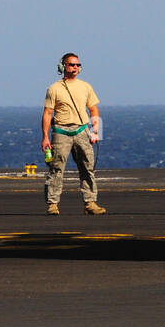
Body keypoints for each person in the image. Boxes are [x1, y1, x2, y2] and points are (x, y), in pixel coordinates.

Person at [42, 53, 105, 215]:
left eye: (77, 65)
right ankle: (52, 204)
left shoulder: (86, 87)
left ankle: (90, 202)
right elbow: (48, 113)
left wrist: (95, 131)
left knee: (87, 168)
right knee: (56, 169)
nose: (75, 67)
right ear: (63, 66)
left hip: (81, 130)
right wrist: (45, 136)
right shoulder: (54, 88)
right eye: (71, 65)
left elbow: (93, 109)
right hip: (61, 131)